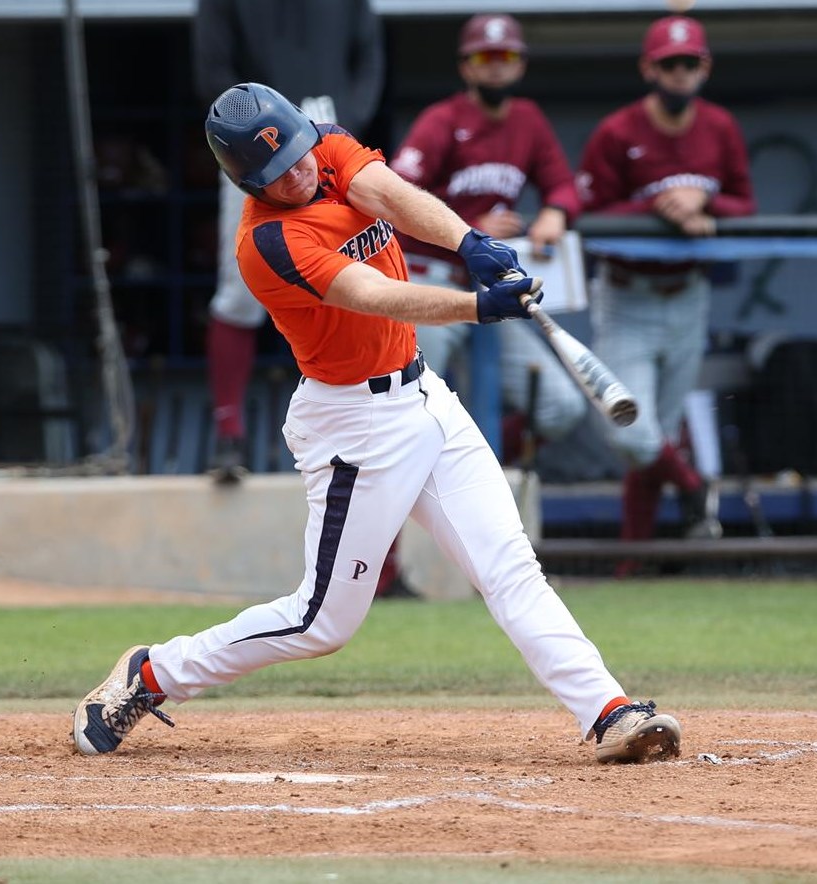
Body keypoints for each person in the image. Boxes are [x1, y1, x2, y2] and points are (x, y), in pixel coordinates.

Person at [73, 82, 682, 765]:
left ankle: (608, 710)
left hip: (424, 395)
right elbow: (373, 295)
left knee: (510, 568)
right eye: (279, 174)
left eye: (302, 155)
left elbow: (390, 193)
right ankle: (152, 674)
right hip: (353, 426)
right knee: (322, 621)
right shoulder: (266, 243)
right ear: (249, 183)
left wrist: (469, 241)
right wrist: (476, 306)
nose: (302, 172)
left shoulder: (323, 148)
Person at [575, 15, 753, 551]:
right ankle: (695, 488)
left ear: (705, 68)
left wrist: (705, 202)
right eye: (669, 63)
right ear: (649, 68)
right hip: (628, 295)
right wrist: (655, 208)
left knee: (660, 435)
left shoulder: (719, 126)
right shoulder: (617, 131)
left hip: (688, 295)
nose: (680, 72)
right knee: (630, 428)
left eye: (689, 63)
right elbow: (589, 215)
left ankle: (639, 559)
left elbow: (746, 204)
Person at [192, 0, 385, 484]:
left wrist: (346, 118)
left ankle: (368, 423)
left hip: (329, 137)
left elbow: (370, 58)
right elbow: (212, 70)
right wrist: (250, 137)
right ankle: (228, 433)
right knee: (240, 292)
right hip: (255, 149)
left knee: (356, 271)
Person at [388, 13, 586, 460]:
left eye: (507, 56)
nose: (496, 66)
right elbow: (395, 196)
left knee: (560, 406)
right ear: (466, 66)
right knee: (409, 413)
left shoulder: (528, 121)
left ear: (520, 64)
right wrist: (467, 225)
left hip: (488, 290)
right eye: (485, 56)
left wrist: (555, 211)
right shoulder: (442, 120)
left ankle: (473, 462)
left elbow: (563, 183)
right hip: (428, 282)